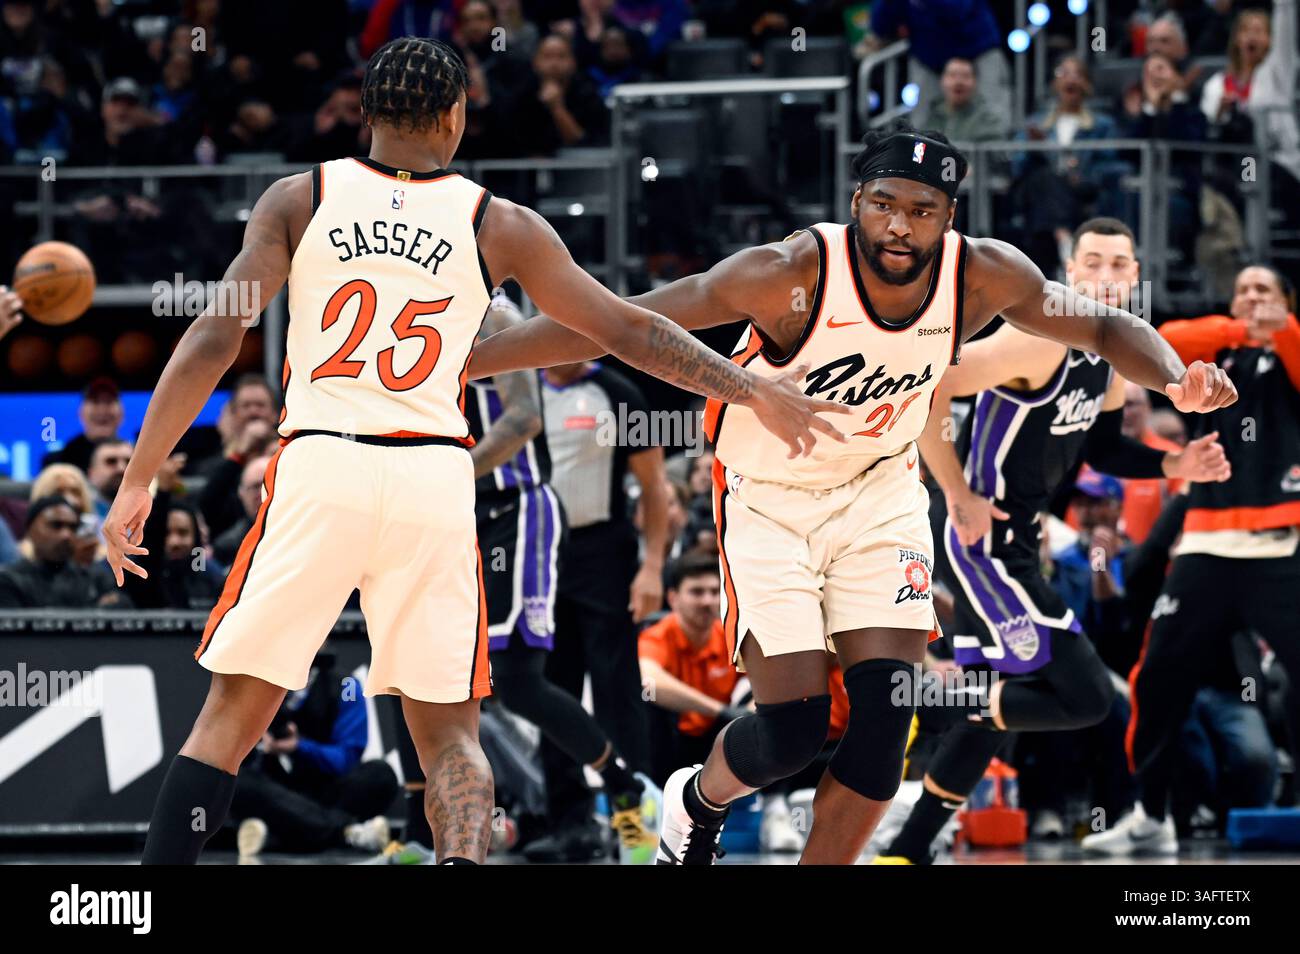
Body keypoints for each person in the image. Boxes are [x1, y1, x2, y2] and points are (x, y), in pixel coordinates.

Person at [103, 36, 839, 868]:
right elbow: (627, 329)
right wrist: (751, 389)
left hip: (321, 464)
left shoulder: (297, 198)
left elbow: (213, 334)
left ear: (366, 110)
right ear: (455, 116)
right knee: (451, 733)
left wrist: (137, 480)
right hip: (433, 476)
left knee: (229, 720)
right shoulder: (499, 222)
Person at [467, 122, 1236, 864]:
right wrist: (477, 361)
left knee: (885, 715)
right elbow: (618, 322)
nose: (901, 226)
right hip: (769, 498)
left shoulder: (986, 274)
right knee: (793, 730)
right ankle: (696, 802)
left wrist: (1177, 378)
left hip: (882, 492)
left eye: (923, 211)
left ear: (950, 217)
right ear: (857, 198)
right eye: (885, 204)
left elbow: (1101, 327)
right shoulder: (788, 272)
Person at [874, 218, 1229, 866]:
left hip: (1018, 539)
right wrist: (955, 491)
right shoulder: (1036, 341)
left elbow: (1101, 448)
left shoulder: (1111, 358)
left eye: (1119, 265)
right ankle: (923, 691)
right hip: (980, 538)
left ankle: (904, 850)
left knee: (996, 714)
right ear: (1069, 274)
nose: (1104, 275)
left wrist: (1172, 466)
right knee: (1087, 695)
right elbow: (927, 386)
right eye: (1091, 261)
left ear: (1135, 280)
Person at [1084, 263, 1300, 856]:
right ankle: (1151, 814)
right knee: (1156, 681)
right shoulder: (1218, 353)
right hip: (1205, 542)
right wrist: (1238, 327)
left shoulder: (1293, 352)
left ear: (1288, 301)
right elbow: (1164, 342)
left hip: (1284, 542)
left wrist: (1281, 330)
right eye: (1243, 290)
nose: (1253, 299)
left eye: (1266, 290)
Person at [231, 653, 399, 858]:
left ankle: (287, 833)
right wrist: (260, 739)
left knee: (380, 774)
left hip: (326, 790)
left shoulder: (346, 685)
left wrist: (299, 746)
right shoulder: (258, 683)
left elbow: (346, 758)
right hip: (278, 790)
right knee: (237, 781)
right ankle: (347, 832)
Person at [0, 495, 124, 608]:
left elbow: (124, 607)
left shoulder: (96, 577)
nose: (66, 535)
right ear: (30, 530)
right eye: (56, 525)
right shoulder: (8, 580)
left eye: (72, 527)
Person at [41, 377, 124, 474]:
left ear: (121, 413)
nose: (102, 409)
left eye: (109, 401)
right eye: (95, 401)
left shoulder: (135, 457)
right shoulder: (57, 462)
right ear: (81, 412)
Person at [922, 57, 1009, 144]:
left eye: (965, 76)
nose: (959, 82)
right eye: (952, 75)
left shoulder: (988, 120)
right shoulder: (930, 116)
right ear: (942, 81)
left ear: (975, 82)